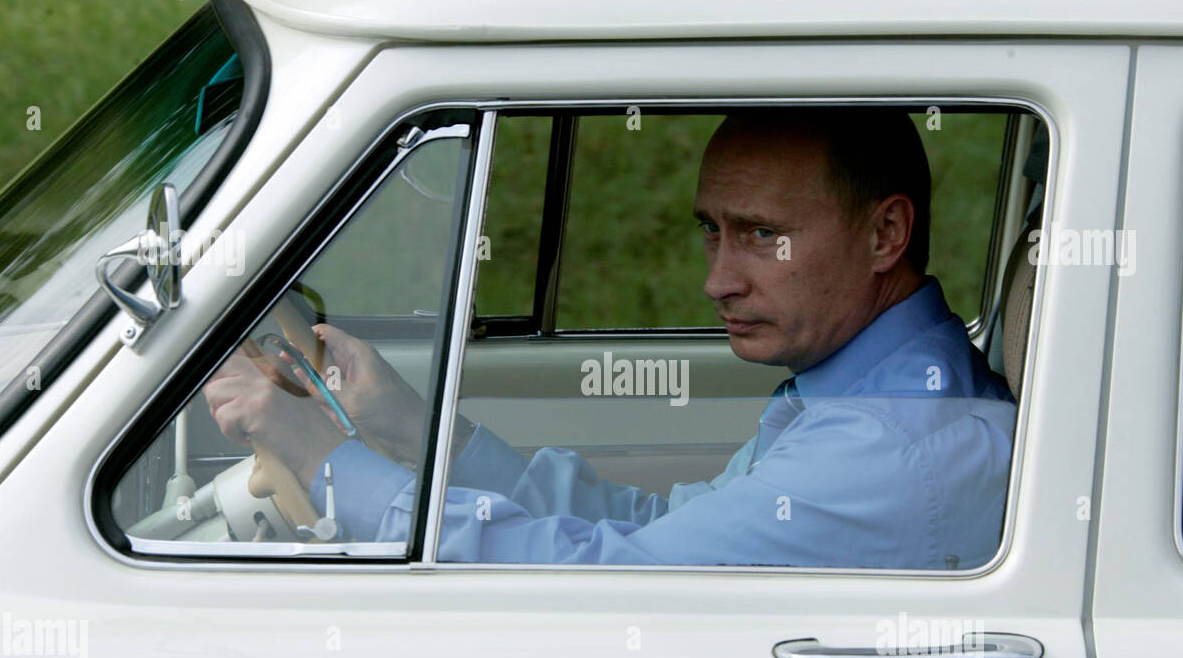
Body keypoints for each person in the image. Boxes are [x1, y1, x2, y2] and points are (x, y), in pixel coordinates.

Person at [203, 108, 1016, 567]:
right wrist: (410, 431)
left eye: (764, 236)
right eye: (712, 232)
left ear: (885, 235)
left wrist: (324, 461)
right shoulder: (868, 389)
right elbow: (655, 530)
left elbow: (613, 580)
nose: (717, 281)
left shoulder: (891, 447)